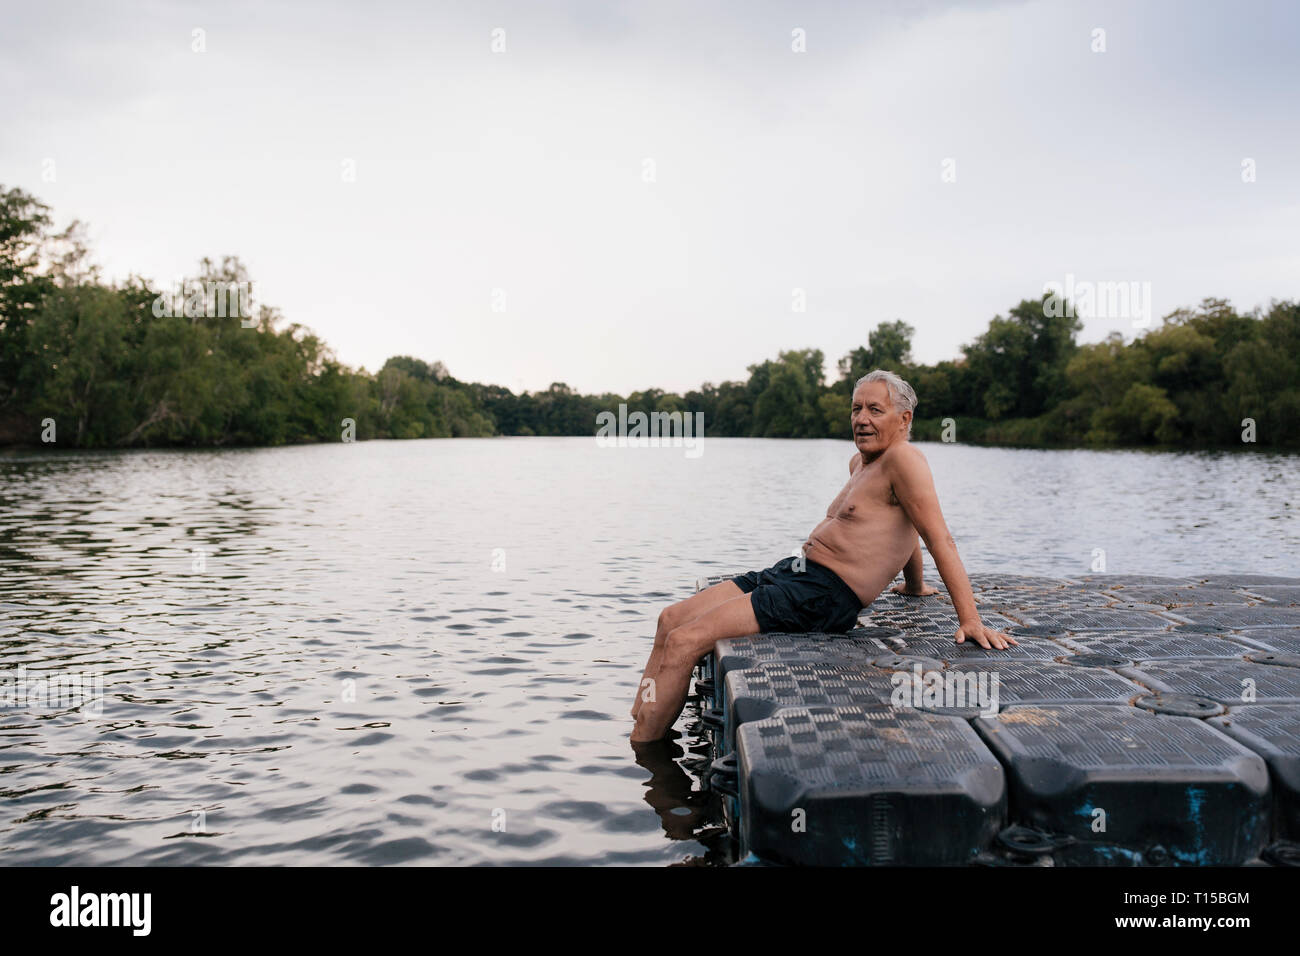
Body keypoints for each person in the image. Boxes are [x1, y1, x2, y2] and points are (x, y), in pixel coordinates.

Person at [630, 369, 1016, 742]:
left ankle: (643, 746)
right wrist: (914, 586)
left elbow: (938, 537)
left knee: (686, 641)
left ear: (904, 419)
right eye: (856, 409)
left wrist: (970, 620)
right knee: (670, 620)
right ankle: (641, 715)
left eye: (874, 410)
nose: (861, 419)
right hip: (794, 572)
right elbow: (906, 528)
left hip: (823, 594)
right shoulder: (862, 464)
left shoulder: (905, 460)